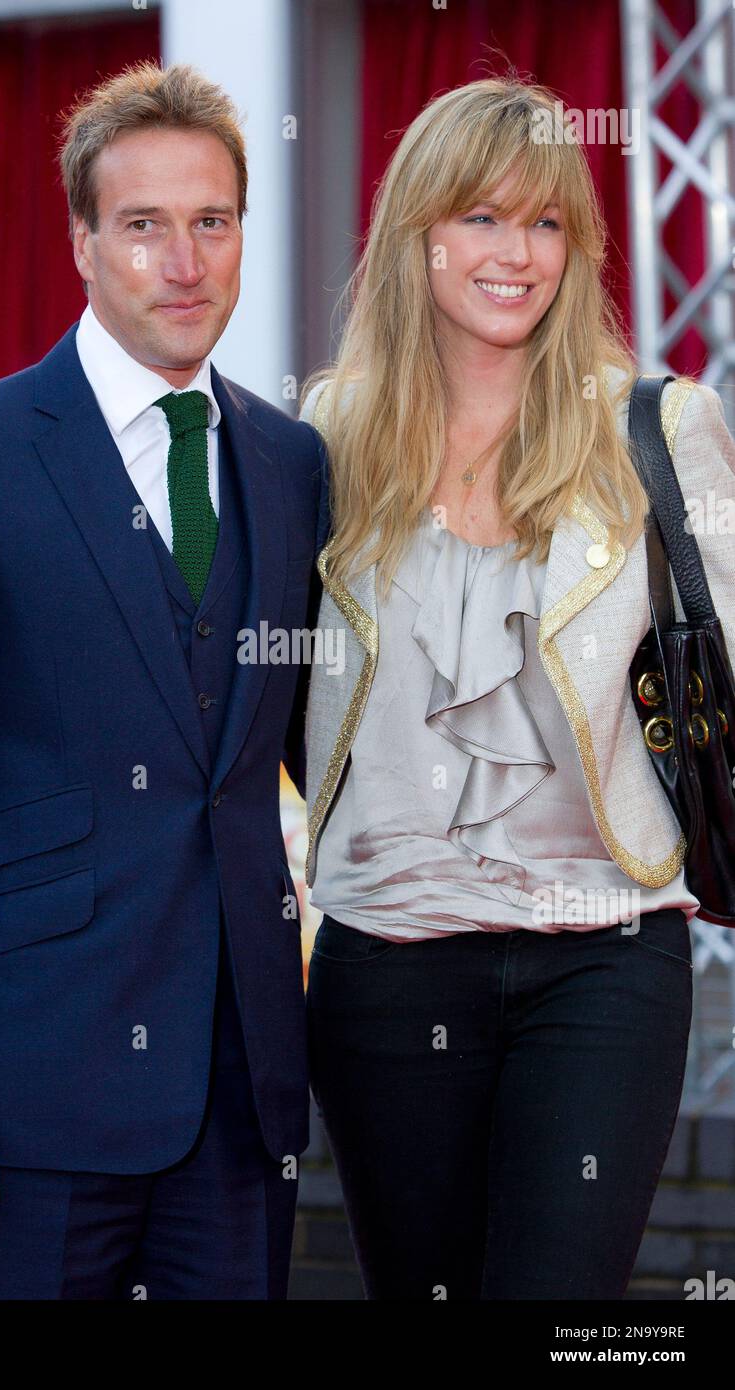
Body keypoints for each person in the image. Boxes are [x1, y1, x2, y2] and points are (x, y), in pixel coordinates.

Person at [0, 61, 328, 1300]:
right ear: (80, 244)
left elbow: (306, 745)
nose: (183, 262)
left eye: (210, 222)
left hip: (239, 1089)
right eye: (142, 226)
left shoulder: (290, 462)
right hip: (20, 1095)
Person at [299, 76, 735, 1300]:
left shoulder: (655, 428)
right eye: (482, 217)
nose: (515, 253)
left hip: (602, 959)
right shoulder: (319, 442)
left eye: (546, 223)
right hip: (386, 963)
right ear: (417, 233)